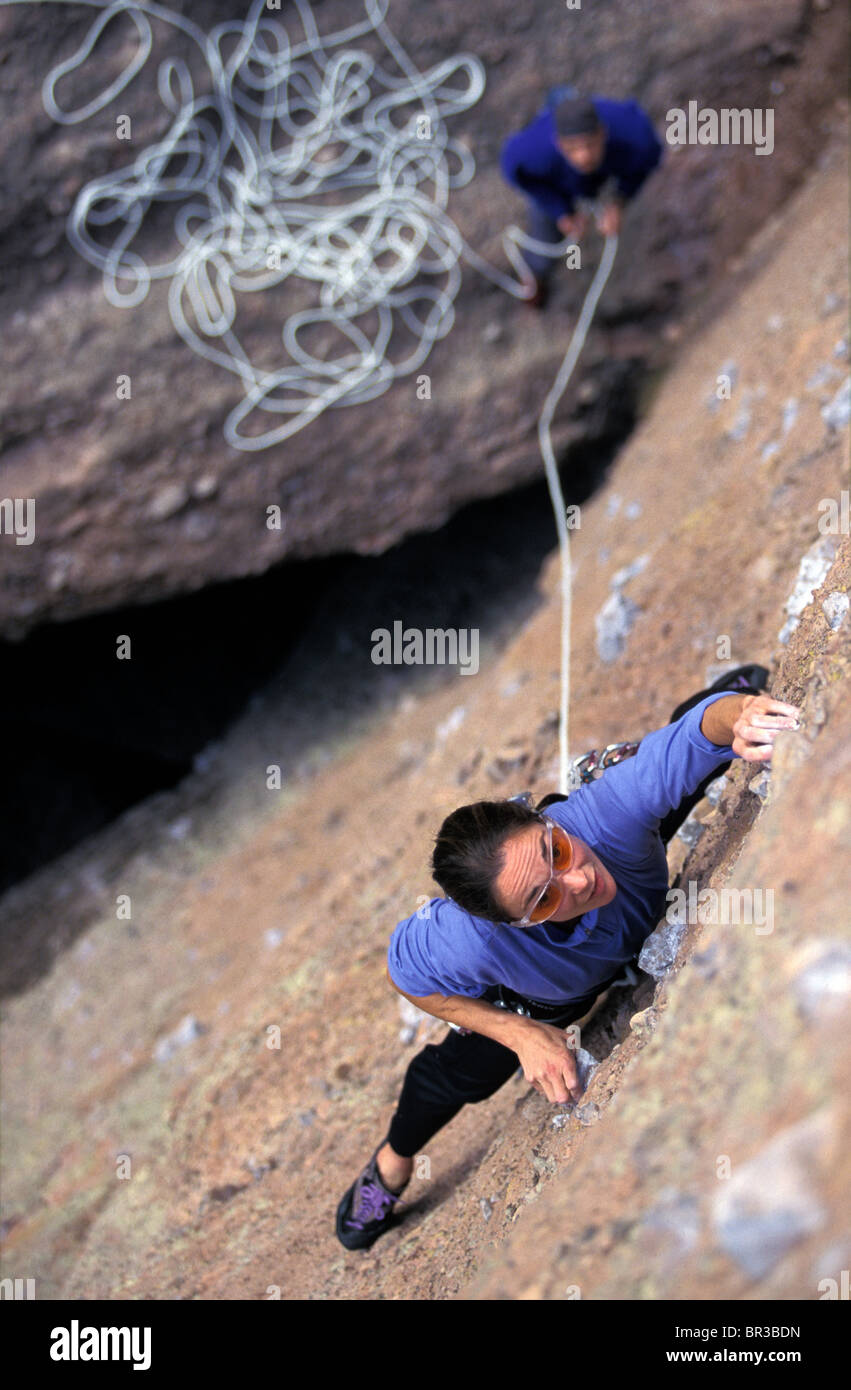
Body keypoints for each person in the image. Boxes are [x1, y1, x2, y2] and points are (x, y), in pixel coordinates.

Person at [336, 666, 802, 1250]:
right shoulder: (469, 941)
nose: (577, 879)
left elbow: (693, 739)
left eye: (553, 848)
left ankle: (703, 694)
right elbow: (403, 973)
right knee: (460, 1076)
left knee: (668, 782)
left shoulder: (604, 821)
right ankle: (391, 1163)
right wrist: (519, 1033)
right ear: (508, 923)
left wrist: (737, 714)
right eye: (542, 897)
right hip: (547, 999)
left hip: (623, 850)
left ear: (540, 819)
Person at [500, 92, 663, 306]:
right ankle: (534, 281)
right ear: (558, 144)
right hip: (559, 180)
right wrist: (560, 211)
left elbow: (646, 162)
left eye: (590, 144)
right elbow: (519, 175)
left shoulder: (635, 137)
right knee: (543, 231)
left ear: (603, 133)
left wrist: (620, 200)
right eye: (572, 148)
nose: (583, 156)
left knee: (603, 176)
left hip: (608, 164)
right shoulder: (532, 153)